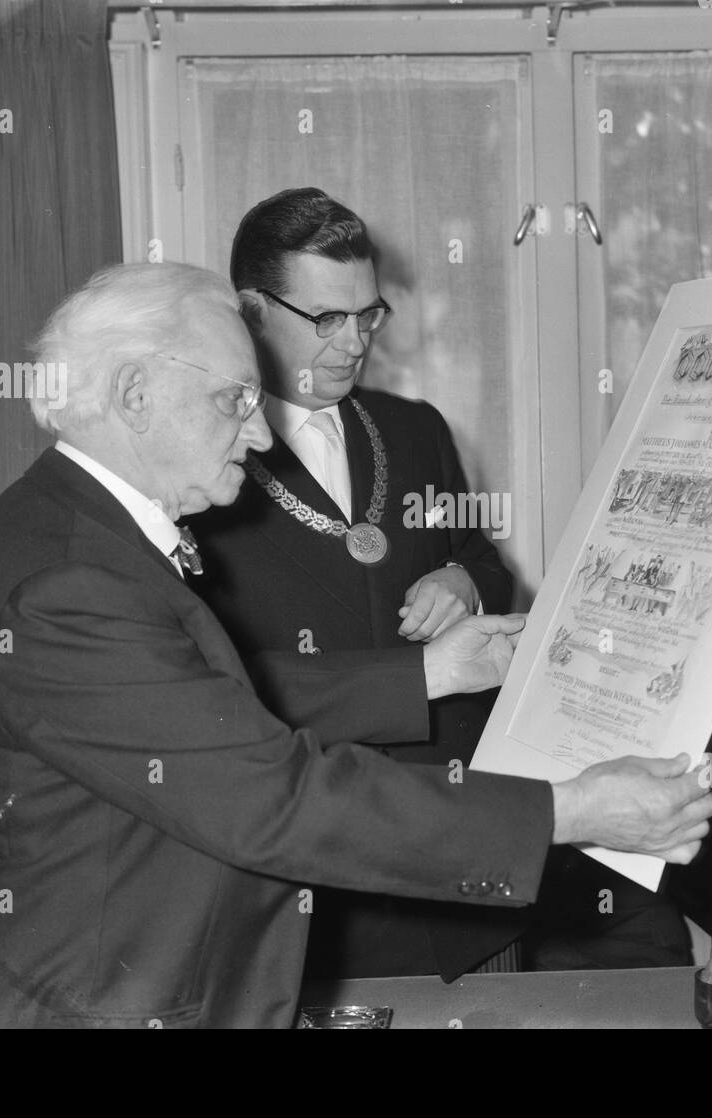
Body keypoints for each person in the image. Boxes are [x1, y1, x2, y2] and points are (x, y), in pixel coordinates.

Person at [0, 261, 712, 1028]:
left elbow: (203, 709)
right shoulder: (70, 584)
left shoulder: (70, 533)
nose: (261, 434)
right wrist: (570, 810)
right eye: (235, 399)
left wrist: (430, 672)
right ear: (135, 394)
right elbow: (273, 797)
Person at [190, 188, 523, 981]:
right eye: (326, 318)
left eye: (367, 315)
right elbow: (214, 688)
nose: (353, 343)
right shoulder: (200, 461)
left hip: (461, 853)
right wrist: (419, 673)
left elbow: (487, 561)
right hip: (315, 874)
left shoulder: (415, 429)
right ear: (248, 309)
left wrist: (463, 582)